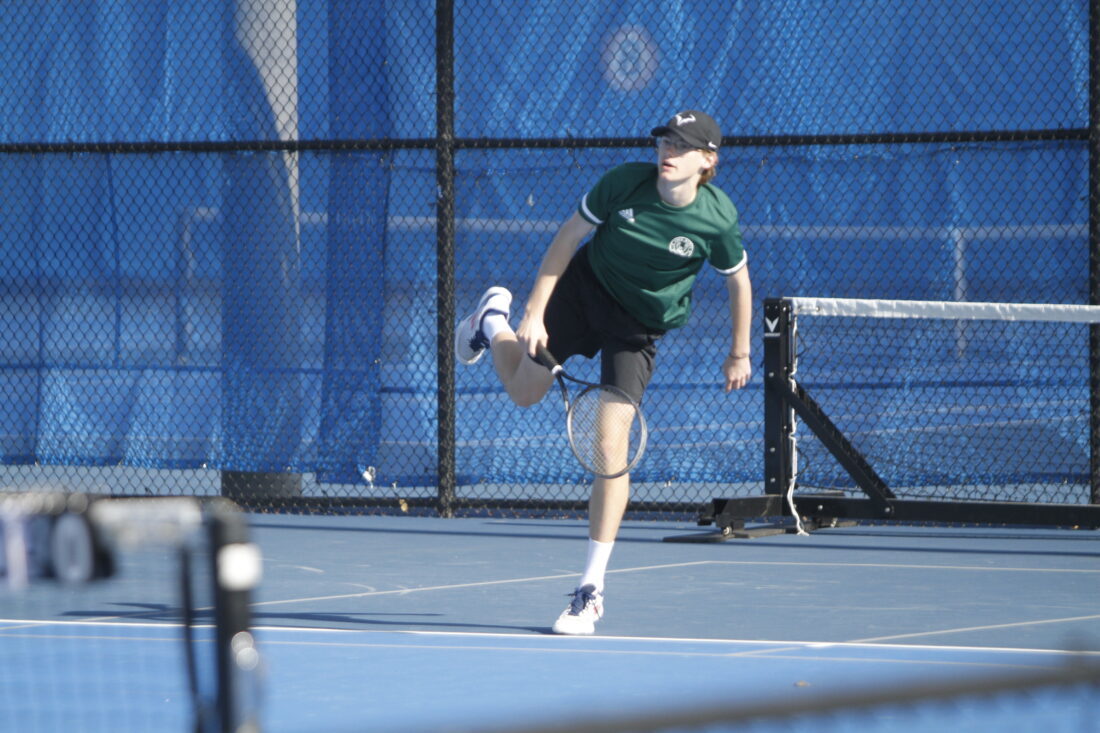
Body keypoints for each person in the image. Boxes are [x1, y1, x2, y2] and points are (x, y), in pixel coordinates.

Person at [454, 110, 752, 635]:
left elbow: (738, 282)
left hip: (637, 329)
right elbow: (568, 238)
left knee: (611, 452)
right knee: (524, 393)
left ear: (707, 161)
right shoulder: (623, 184)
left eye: (681, 146)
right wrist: (533, 312)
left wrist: (740, 351)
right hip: (584, 292)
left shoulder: (717, 218)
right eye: (664, 141)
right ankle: (492, 321)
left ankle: (589, 592)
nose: (667, 152)